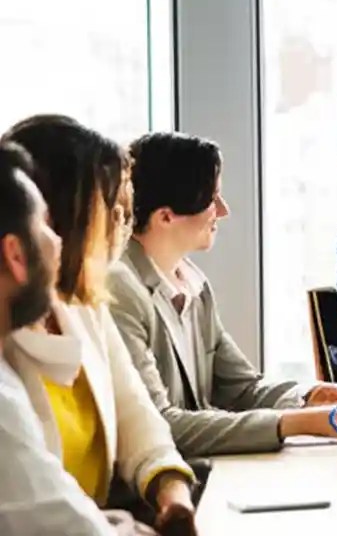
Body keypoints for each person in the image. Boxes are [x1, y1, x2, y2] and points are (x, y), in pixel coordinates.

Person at [2, 116, 197, 535]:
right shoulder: (6, 338)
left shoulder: (83, 306)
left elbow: (137, 417)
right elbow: (53, 517)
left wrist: (173, 494)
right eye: (110, 211)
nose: (119, 227)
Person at [106, 132, 337, 458]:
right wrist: (299, 422)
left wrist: (315, 396)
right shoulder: (120, 290)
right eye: (212, 199)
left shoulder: (193, 282)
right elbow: (159, 425)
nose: (222, 211)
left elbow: (241, 388)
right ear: (165, 216)